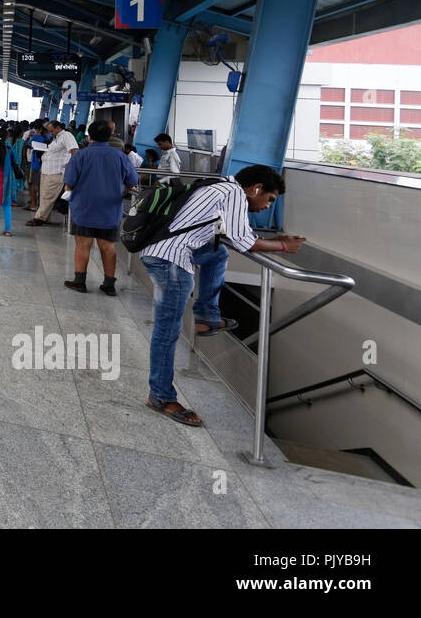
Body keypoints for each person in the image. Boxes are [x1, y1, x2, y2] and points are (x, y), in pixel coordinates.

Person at [142, 165, 307, 426]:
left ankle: (206, 315)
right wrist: (284, 246)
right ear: (256, 189)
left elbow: (231, 235)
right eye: (270, 199)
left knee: (218, 253)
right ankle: (161, 396)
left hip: (162, 250)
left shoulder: (220, 185)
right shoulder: (233, 194)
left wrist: (274, 239)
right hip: (170, 261)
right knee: (167, 331)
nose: (267, 207)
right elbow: (244, 242)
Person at [61, 120, 139, 294]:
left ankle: (80, 281)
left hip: (84, 207)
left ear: (89, 136)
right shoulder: (119, 156)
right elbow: (133, 180)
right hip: (110, 209)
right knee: (107, 245)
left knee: (83, 244)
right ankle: (109, 284)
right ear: (109, 136)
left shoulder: (80, 156)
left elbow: (70, 182)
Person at [26, 120, 79, 226]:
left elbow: (75, 150)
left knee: (47, 196)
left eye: (52, 131)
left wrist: (70, 165)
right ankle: (45, 218)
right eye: (49, 131)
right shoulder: (56, 139)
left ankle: (39, 218)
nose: (50, 134)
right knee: (45, 195)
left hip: (56, 172)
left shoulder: (66, 136)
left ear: (58, 128)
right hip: (48, 171)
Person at [26, 119, 48, 211]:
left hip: (35, 164)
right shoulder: (49, 137)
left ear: (38, 129)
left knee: (33, 185)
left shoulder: (36, 138)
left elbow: (27, 145)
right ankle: (40, 205)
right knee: (41, 186)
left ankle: (33, 205)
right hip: (45, 165)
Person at [8, 127, 28, 206]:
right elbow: (23, 154)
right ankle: (15, 201)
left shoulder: (9, 141)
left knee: (11, 181)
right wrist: (26, 163)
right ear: (21, 134)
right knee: (19, 181)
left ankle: (10, 199)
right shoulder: (22, 142)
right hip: (19, 164)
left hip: (10, 163)